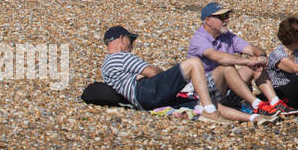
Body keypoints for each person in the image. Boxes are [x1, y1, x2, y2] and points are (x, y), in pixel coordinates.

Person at [102, 26, 267, 123]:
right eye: (130, 40)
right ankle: (211, 110)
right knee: (193, 63)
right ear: (122, 39)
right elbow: (152, 72)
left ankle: (253, 118)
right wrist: (170, 79)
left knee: (202, 103)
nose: (132, 45)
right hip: (145, 92)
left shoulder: (106, 65)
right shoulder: (120, 57)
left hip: (144, 101)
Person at [187, 2, 289, 116]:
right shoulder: (199, 39)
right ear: (208, 20)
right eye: (222, 17)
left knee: (256, 63)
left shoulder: (226, 36)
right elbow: (218, 57)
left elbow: (252, 49)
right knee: (227, 67)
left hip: (227, 90)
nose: (226, 20)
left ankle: (275, 102)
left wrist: (261, 57)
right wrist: (248, 61)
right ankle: (256, 104)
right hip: (204, 94)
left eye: (227, 16)